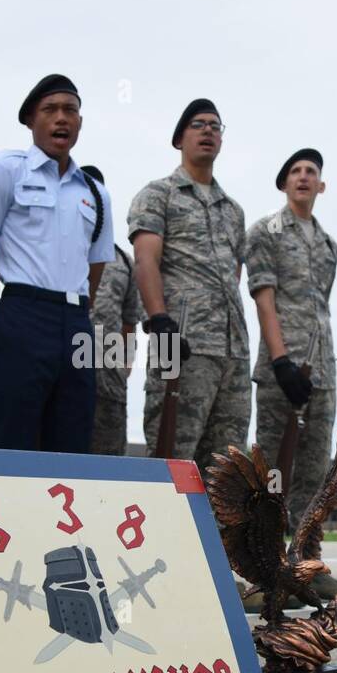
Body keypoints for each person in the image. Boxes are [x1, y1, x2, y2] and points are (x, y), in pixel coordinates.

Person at [0, 74, 111, 453]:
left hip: (76, 324)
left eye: (71, 110)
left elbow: (94, 269)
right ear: (31, 120)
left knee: (73, 442)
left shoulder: (96, 193)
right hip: (21, 315)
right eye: (51, 110)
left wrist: (73, 315)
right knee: (13, 440)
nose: (62, 118)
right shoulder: (6, 171)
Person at [128, 99, 249, 471]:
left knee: (226, 471)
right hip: (177, 344)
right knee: (171, 461)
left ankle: (213, 533)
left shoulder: (233, 210)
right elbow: (145, 260)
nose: (208, 131)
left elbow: (234, 276)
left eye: (215, 126)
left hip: (232, 354)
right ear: (179, 139)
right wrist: (160, 321)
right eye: (198, 124)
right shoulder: (158, 194)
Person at [246, 149, 337, 528]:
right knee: (272, 469)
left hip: (322, 374)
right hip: (280, 370)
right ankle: (263, 560)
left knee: (315, 470)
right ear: (284, 184)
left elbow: (321, 307)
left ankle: (305, 559)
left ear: (321, 184)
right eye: (295, 171)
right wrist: (281, 362)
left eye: (310, 171)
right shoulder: (266, 232)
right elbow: (264, 299)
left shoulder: (330, 246)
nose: (302, 177)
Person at [83, 166, 140, 457]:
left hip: (109, 384)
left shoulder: (122, 260)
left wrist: (123, 364)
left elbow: (130, 320)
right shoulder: (55, 249)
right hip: (62, 372)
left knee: (106, 464)